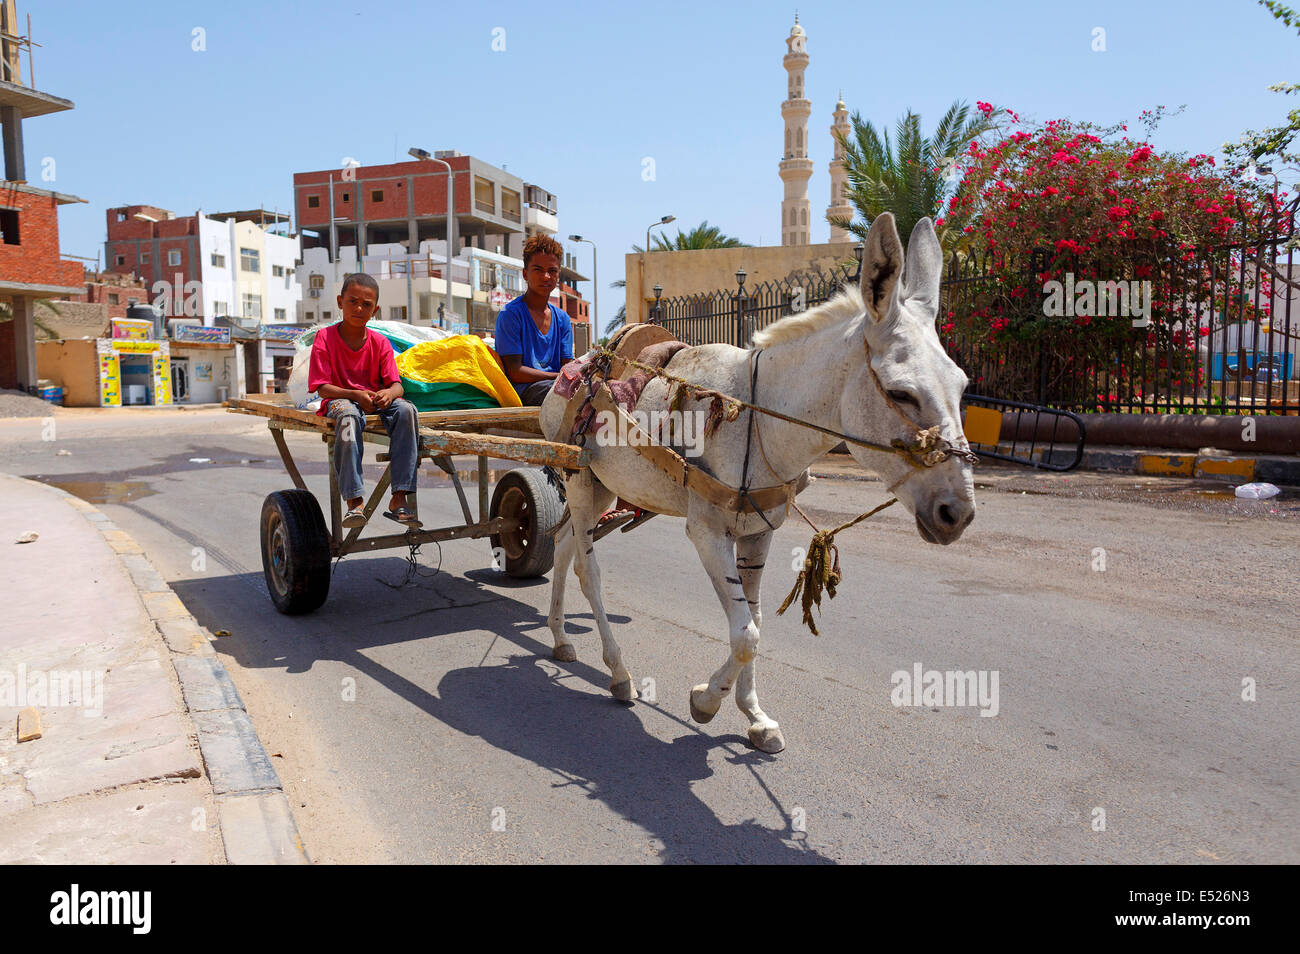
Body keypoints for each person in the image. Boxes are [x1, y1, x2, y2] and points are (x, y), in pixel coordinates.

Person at [308, 272, 421, 528]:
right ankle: (354, 502)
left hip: (372, 400)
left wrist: (388, 394)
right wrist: (352, 394)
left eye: (366, 304)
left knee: (407, 411)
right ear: (340, 301)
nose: (359, 308)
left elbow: (396, 385)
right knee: (348, 417)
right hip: (341, 400)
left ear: (375, 309)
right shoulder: (324, 338)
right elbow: (322, 387)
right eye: (353, 301)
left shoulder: (380, 343)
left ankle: (399, 496)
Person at [495, 234, 574, 406]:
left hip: (558, 387)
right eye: (538, 269)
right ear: (525, 273)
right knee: (561, 391)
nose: (546, 276)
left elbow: (567, 366)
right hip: (525, 393)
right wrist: (557, 377)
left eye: (552, 271)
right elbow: (515, 372)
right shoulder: (510, 314)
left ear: (558, 275)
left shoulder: (563, 319)